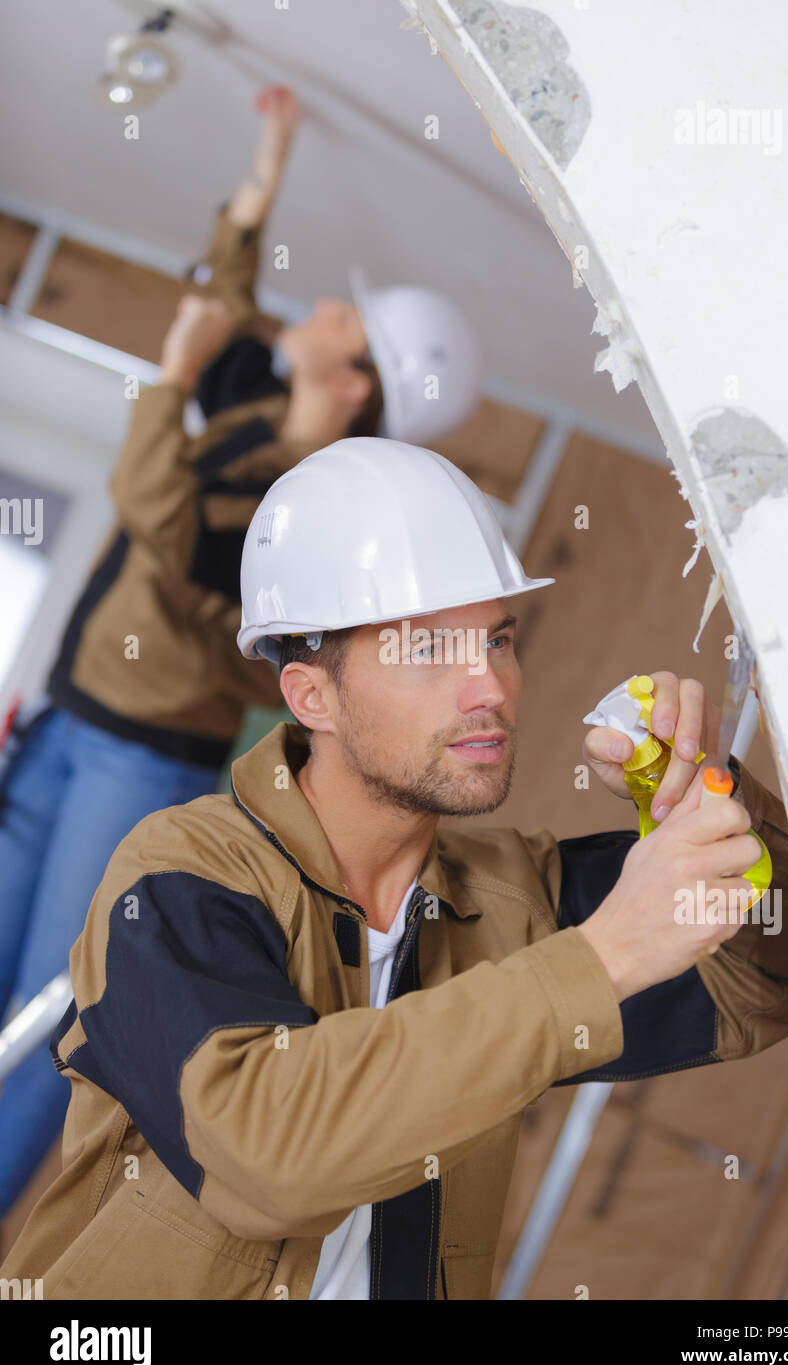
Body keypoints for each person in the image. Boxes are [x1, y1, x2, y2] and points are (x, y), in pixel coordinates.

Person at [0, 437, 788, 1300]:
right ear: (313, 695)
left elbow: (773, 984)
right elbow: (266, 1160)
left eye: (498, 639)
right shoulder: (182, 877)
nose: (491, 688)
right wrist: (602, 958)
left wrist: (716, 809)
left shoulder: (512, 899)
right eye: (428, 649)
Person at [0, 87, 481, 1216]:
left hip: (142, 758)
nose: (319, 303)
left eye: (344, 316)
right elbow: (222, 298)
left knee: (43, 1010)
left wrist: (167, 376)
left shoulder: (305, 518)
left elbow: (160, 516)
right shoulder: (258, 406)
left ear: (355, 382)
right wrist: (265, 165)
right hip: (74, 717)